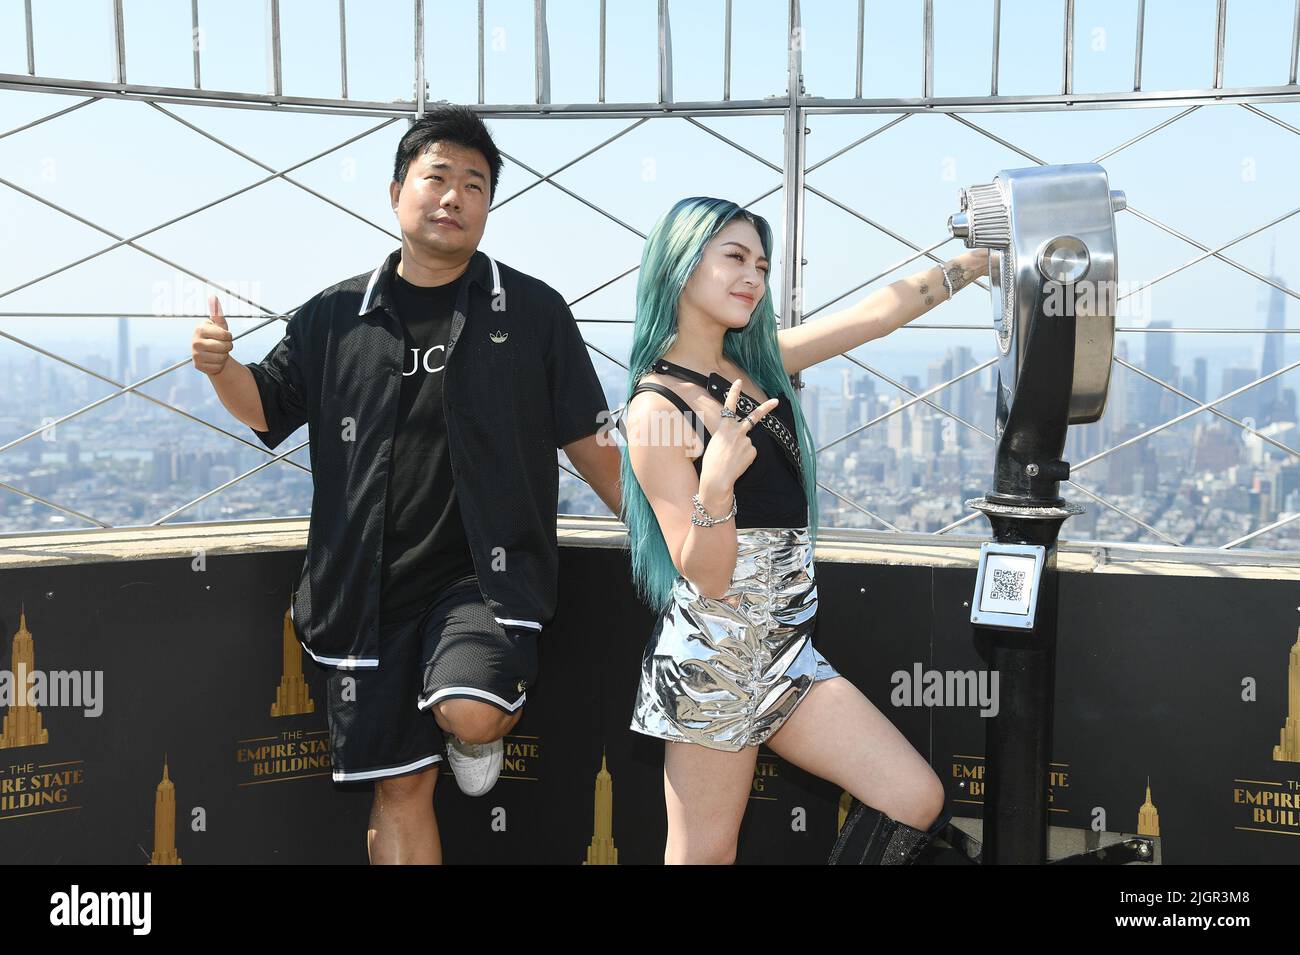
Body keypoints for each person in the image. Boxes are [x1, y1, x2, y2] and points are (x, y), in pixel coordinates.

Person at [190, 105, 622, 864]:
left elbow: (591, 444)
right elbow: (267, 405)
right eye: (438, 178)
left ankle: (465, 727)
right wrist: (224, 369)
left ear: (490, 206)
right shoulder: (332, 316)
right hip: (366, 592)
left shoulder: (532, 311)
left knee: (471, 710)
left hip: (484, 579)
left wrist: (669, 539)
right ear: (397, 194)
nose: (455, 196)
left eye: (476, 185)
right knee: (398, 790)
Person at [619, 196, 988, 864]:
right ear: (678, 266)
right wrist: (715, 486)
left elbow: (879, 315)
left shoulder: (757, 366)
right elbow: (701, 573)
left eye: (760, 263)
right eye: (733, 257)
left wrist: (982, 259)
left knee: (914, 795)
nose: (753, 278)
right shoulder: (654, 409)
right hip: (715, 659)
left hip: (788, 650)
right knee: (703, 856)